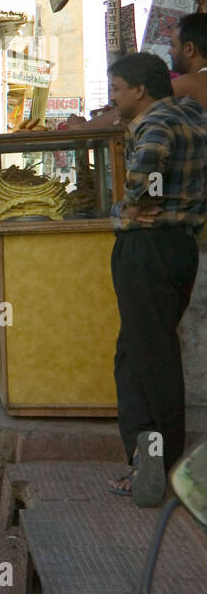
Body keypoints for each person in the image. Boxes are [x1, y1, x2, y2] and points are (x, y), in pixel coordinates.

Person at [104, 53, 207, 505]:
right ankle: (146, 453)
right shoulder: (193, 117)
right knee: (138, 353)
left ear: (140, 91)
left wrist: (129, 206)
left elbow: (148, 177)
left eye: (118, 90)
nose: (114, 98)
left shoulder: (157, 122)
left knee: (150, 359)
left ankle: (158, 461)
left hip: (148, 248)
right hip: (181, 247)